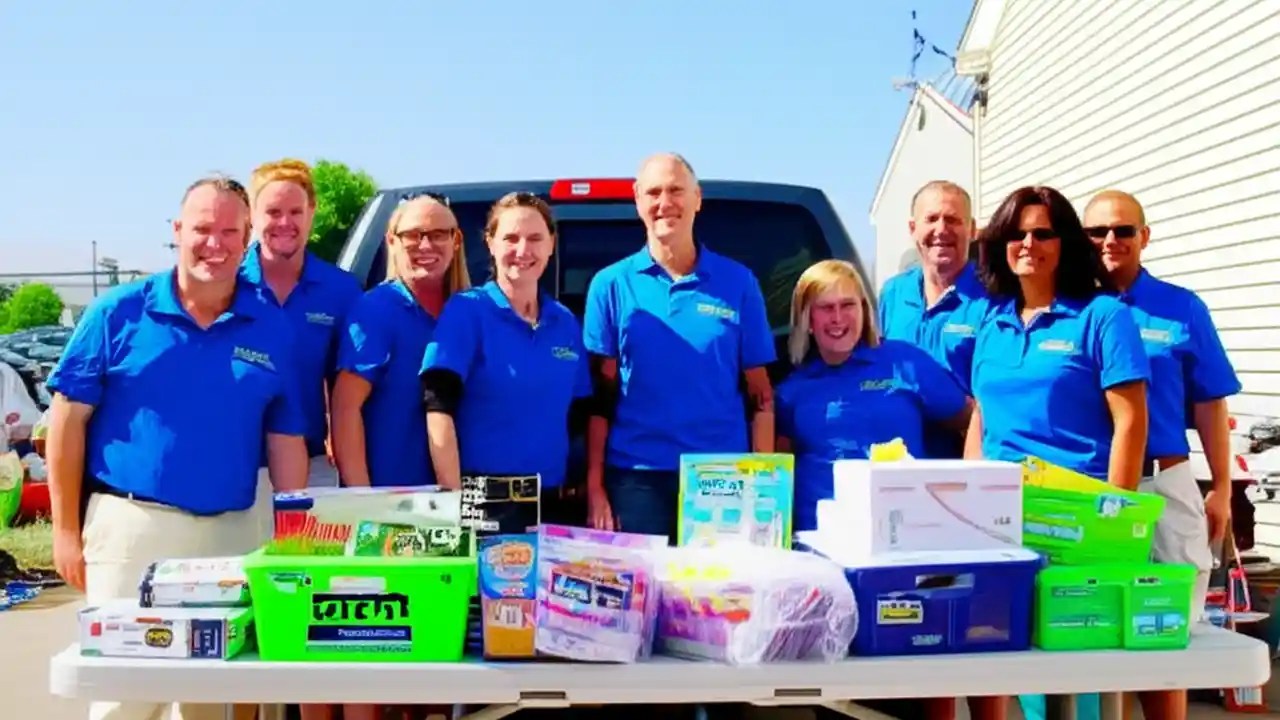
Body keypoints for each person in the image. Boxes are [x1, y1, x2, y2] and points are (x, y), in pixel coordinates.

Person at [45, 175, 309, 720]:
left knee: (213, 701)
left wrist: (294, 538)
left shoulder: (272, 326)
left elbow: (285, 438)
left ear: (247, 239)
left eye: (230, 231)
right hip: (132, 527)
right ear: (177, 231)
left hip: (232, 535)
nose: (216, 242)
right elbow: (66, 424)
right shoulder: (118, 312)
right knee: (125, 695)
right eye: (203, 228)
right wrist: (65, 531)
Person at [966, 186, 1151, 720]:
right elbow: (982, 416)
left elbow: (1130, 418)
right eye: (1016, 233)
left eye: (1043, 232)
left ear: (1065, 243)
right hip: (1000, 523)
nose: (1029, 243)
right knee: (1008, 667)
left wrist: (1114, 516)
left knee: (1079, 677)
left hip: (1076, 524)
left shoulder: (1102, 317)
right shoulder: (992, 324)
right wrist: (969, 500)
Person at [1085, 189, 1239, 720]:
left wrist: (1220, 485)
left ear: (1143, 237)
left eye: (1123, 230)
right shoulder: (1073, 311)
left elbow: (1209, 404)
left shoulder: (1181, 308)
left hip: (1166, 484)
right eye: (1097, 232)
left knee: (1169, 634)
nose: (1110, 241)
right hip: (1094, 490)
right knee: (1094, 631)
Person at [583, 152, 776, 542]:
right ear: (637, 200)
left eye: (676, 190)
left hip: (724, 479)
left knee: (721, 599)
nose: (664, 202)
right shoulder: (610, 285)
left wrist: (765, 487)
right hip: (637, 480)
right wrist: (594, 486)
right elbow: (599, 400)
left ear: (697, 198)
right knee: (644, 600)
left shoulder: (738, 282)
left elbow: (761, 393)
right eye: (653, 192)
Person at [421, 191, 591, 521]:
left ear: (551, 244)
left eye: (535, 238)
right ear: (490, 242)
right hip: (484, 501)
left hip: (554, 503)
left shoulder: (565, 322)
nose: (523, 251)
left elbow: (578, 414)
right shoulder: (467, 311)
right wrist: (453, 504)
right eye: (510, 238)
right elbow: (437, 406)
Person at [776, 259, 971, 530]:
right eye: (825, 307)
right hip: (820, 543)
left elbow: (972, 419)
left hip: (901, 536)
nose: (837, 318)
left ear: (864, 310)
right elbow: (777, 473)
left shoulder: (905, 363)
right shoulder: (791, 392)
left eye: (847, 305)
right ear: (807, 319)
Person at [331, 194, 471, 491]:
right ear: (391, 242)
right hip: (395, 503)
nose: (425, 245)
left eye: (438, 234)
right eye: (412, 235)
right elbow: (345, 409)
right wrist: (363, 502)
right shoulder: (376, 310)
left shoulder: (471, 312)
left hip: (464, 500)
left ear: (456, 240)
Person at [241, 159, 363, 490]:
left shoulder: (341, 291)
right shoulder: (226, 285)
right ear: (251, 215)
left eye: (295, 212)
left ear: (312, 212)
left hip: (312, 467)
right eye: (273, 212)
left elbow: (348, 391)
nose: (285, 222)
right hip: (235, 464)